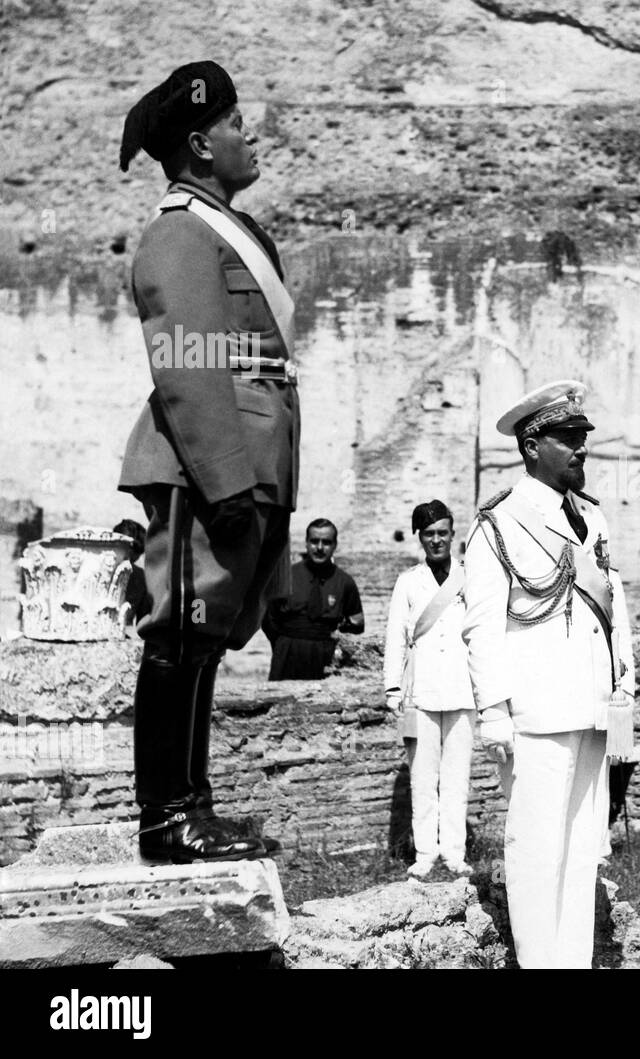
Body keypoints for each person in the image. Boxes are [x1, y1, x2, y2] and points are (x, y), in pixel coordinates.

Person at [117, 61, 298, 863]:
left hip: (247, 460)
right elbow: (189, 365)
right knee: (180, 633)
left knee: (209, 636)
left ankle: (196, 804)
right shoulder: (180, 234)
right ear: (198, 143)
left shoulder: (228, 228)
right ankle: (168, 814)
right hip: (207, 466)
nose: (247, 134)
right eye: (232, 124)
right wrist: (228, 481)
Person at [460, 379, 632, 968]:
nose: (581, 449)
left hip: (590, 704)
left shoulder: (593, 518)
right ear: (532, 446)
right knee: (536, 848)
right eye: (568, 439)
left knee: (585, 848)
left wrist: (622, 688)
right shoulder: (500, 524)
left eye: (583, 438)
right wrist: (492, 711)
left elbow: (615, 607)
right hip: (536, 711)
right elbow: (481, 626)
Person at [383, 500, 475, 877]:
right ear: (420, 538)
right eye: (429, 534)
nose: (436, 540)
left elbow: (482, 633)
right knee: (423, 777)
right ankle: (425, 854)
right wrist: (392, 689)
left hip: (461, 689)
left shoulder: (470, 577)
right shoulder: (409, 582)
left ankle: (454, 852)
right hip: (420, 693)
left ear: (453, 535)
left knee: (457, 776)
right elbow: (395, 638)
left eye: (443, 533)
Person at [263, 519, 364, 680]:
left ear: (335, 545)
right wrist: (282, 644)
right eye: (314, 541)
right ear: (306, 543)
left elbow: (358, 623)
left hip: (325, 654)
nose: (319, 547)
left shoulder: (345, 582)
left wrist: (336, 637)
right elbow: (268, 617)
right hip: (288, 652)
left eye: (326, 542)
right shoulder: (287, 576)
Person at [112, 518, 148, 626]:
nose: (127, 564)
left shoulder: (141, 578)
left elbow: (144, 624)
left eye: (132, 558)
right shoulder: (97, 570)